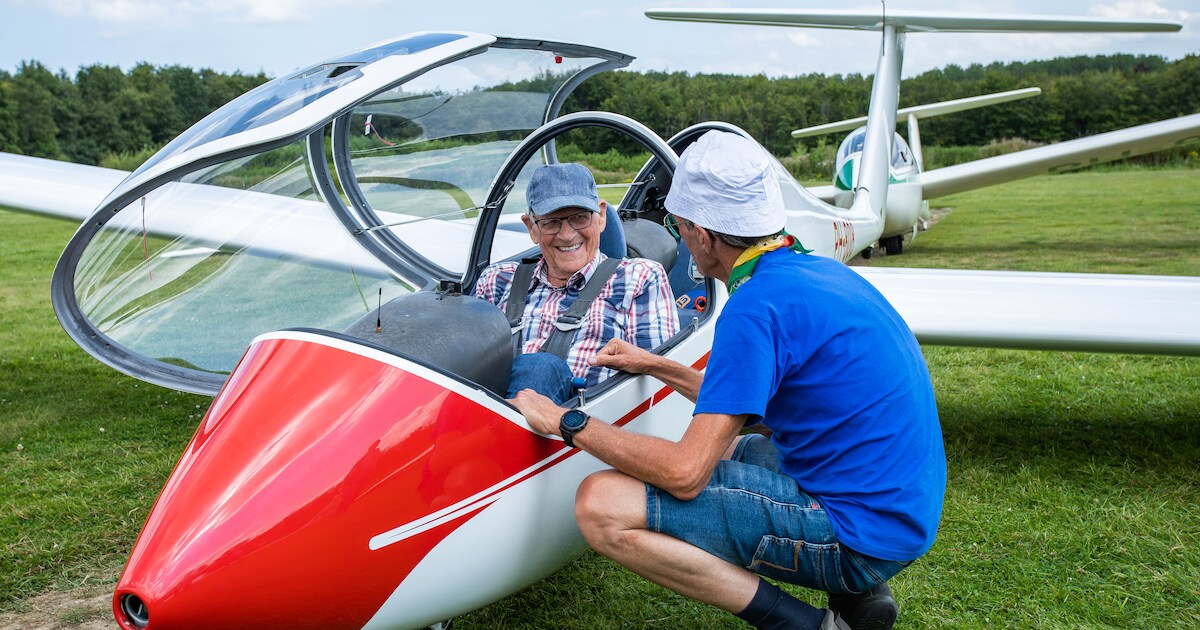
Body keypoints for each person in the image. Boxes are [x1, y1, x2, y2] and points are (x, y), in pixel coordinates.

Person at [511, 131, 946, 630]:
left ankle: (806, 624)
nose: (680, 241)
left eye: (677, 228)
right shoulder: (812, 273)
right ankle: (861, 596)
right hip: (899, 512)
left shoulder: (753, 308)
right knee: (733, 448)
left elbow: (685, 473)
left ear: (702, 235)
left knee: (601, 504)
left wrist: (566, 421)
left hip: (861, 537)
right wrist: (656, 365)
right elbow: (746, 405)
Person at [475, 162, 679, 403]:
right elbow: (466, 372)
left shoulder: (639, 279)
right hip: (486, 415)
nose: (567, 235)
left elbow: (657, 387)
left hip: (586, 420)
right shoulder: (496, 280)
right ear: (532, 228)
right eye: (551, 222)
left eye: (580, 218)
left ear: (601, 217)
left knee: (541, 368)